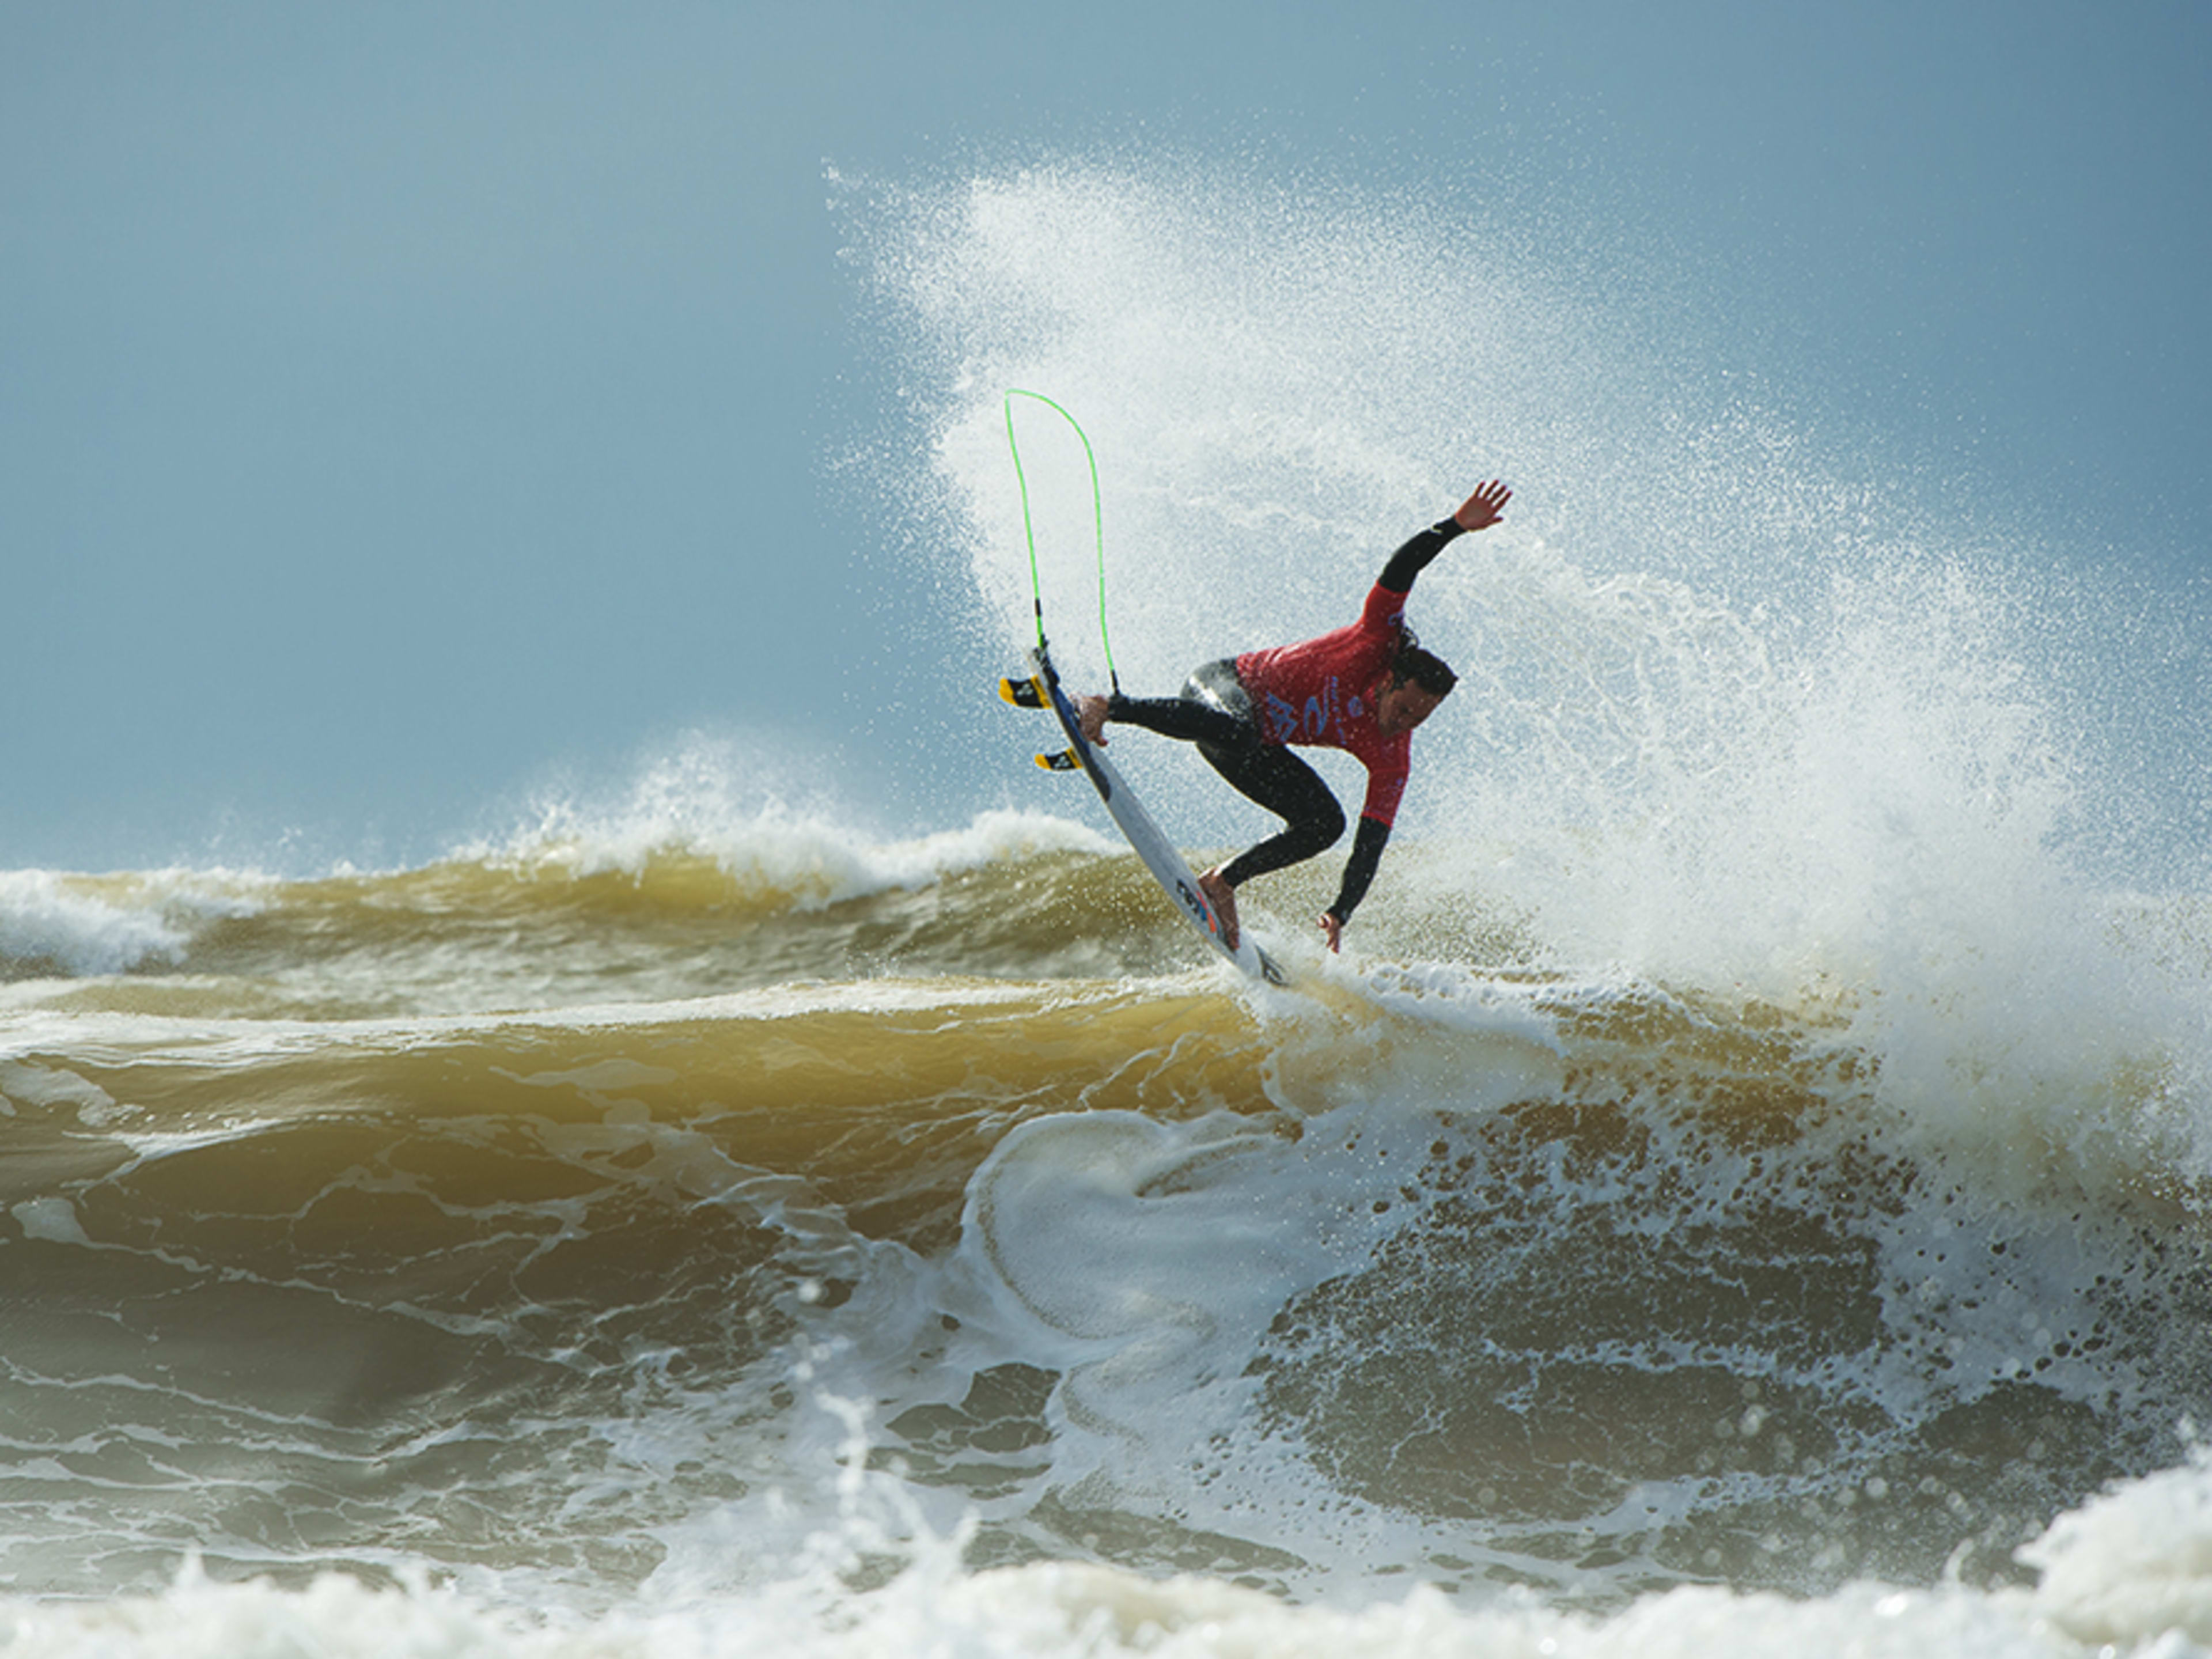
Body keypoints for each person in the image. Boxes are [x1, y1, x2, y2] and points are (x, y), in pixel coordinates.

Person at [1077, 479, 1511, 954]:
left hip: (1248, 744)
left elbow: (1370, 845)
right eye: (1403, 708)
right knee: (1242, 730)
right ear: (1388, 679)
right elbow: (1401, 570)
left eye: (1417, 720)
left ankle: (1224, 881)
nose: (1403, 723)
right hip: (1221, 690)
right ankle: (1107, 706)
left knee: (1327, 825)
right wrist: (1452, 528)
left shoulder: (1392, 756)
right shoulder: (1375, 639)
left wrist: (1342, 909)